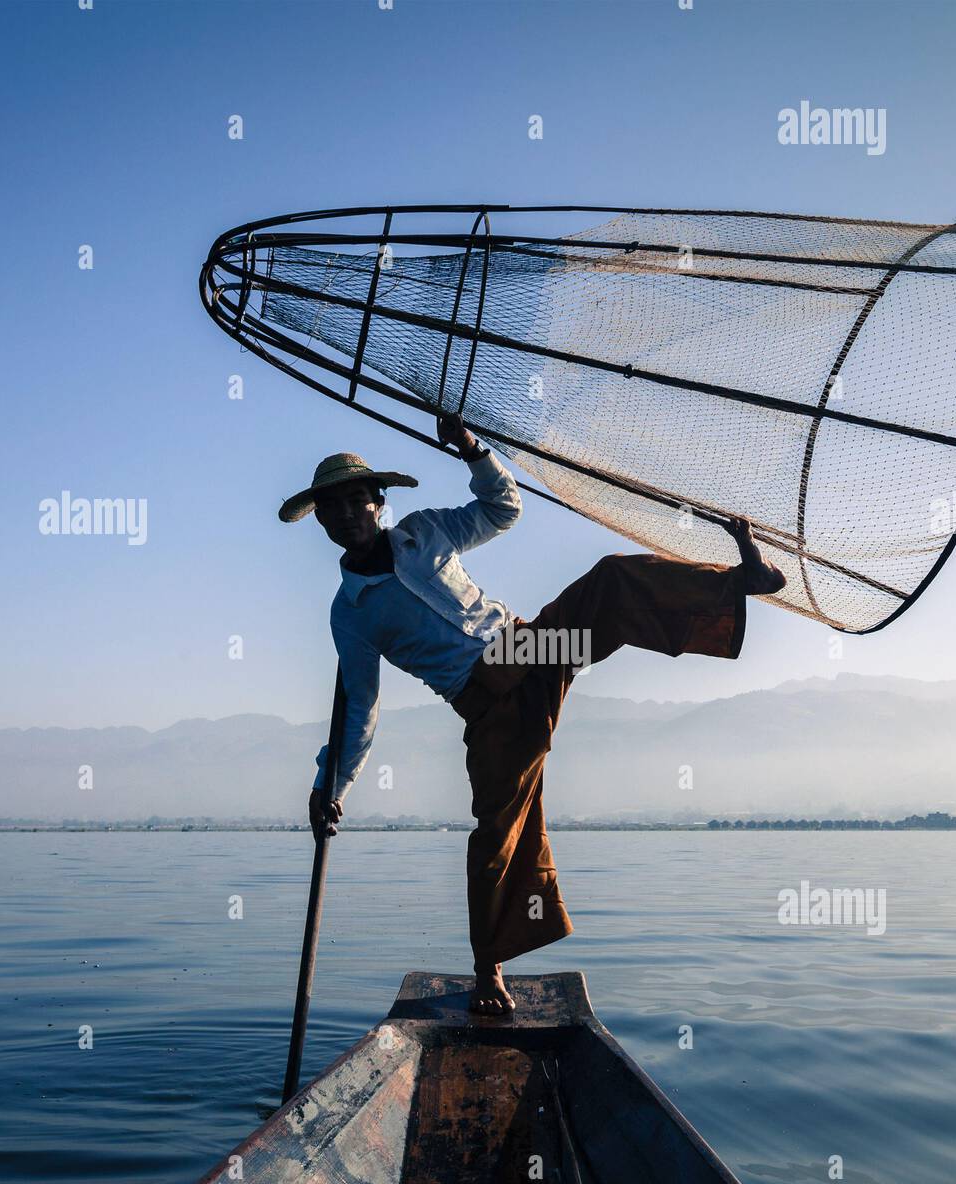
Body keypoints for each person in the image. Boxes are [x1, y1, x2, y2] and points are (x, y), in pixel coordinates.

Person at [280, 413, 786, 1015]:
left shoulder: (425, 533)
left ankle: (735, 583)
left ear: (378, 504)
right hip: (485, 701)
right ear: (324, 525)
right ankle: (488, 967)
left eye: (356, 502)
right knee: (498, 832)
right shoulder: (352, 612)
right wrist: (328, 784)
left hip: (529, 647)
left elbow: (502, 509)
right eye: (332, 510)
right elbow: (360, 707)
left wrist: (471, 449)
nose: (345, 516)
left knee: (613, 580)